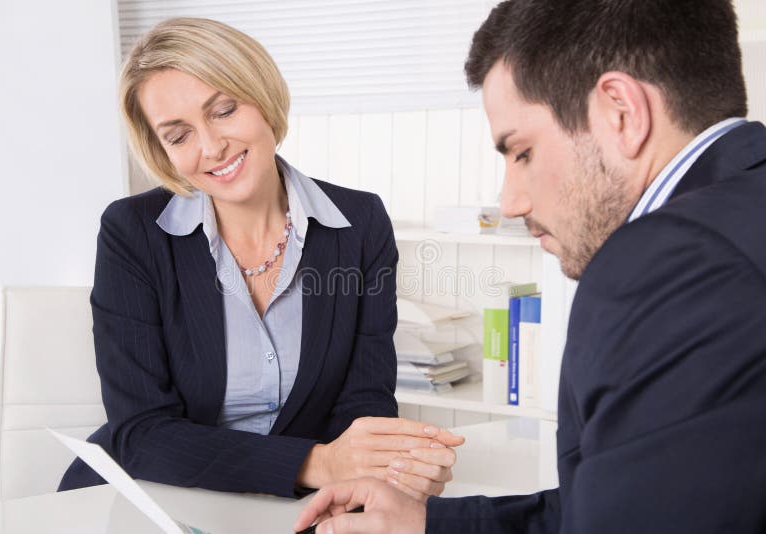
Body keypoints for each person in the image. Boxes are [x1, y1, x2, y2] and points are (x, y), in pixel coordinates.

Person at [294, 0, 766, 532]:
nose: (511, 201)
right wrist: (422, 524)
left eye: (521, 153)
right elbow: (633, 498)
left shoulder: (667, 260)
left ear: (622, 113)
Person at [58, 17, 464, 499]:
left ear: (263, 96)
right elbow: (142, 434)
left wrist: (388, 467)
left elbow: (364, 401)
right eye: (178, 135)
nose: (211, 147)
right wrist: (318, 464)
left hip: (293, 506)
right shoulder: (133, 234)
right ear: (162, 152)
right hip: (150, 499)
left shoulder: (359, 223)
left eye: (224, 110)